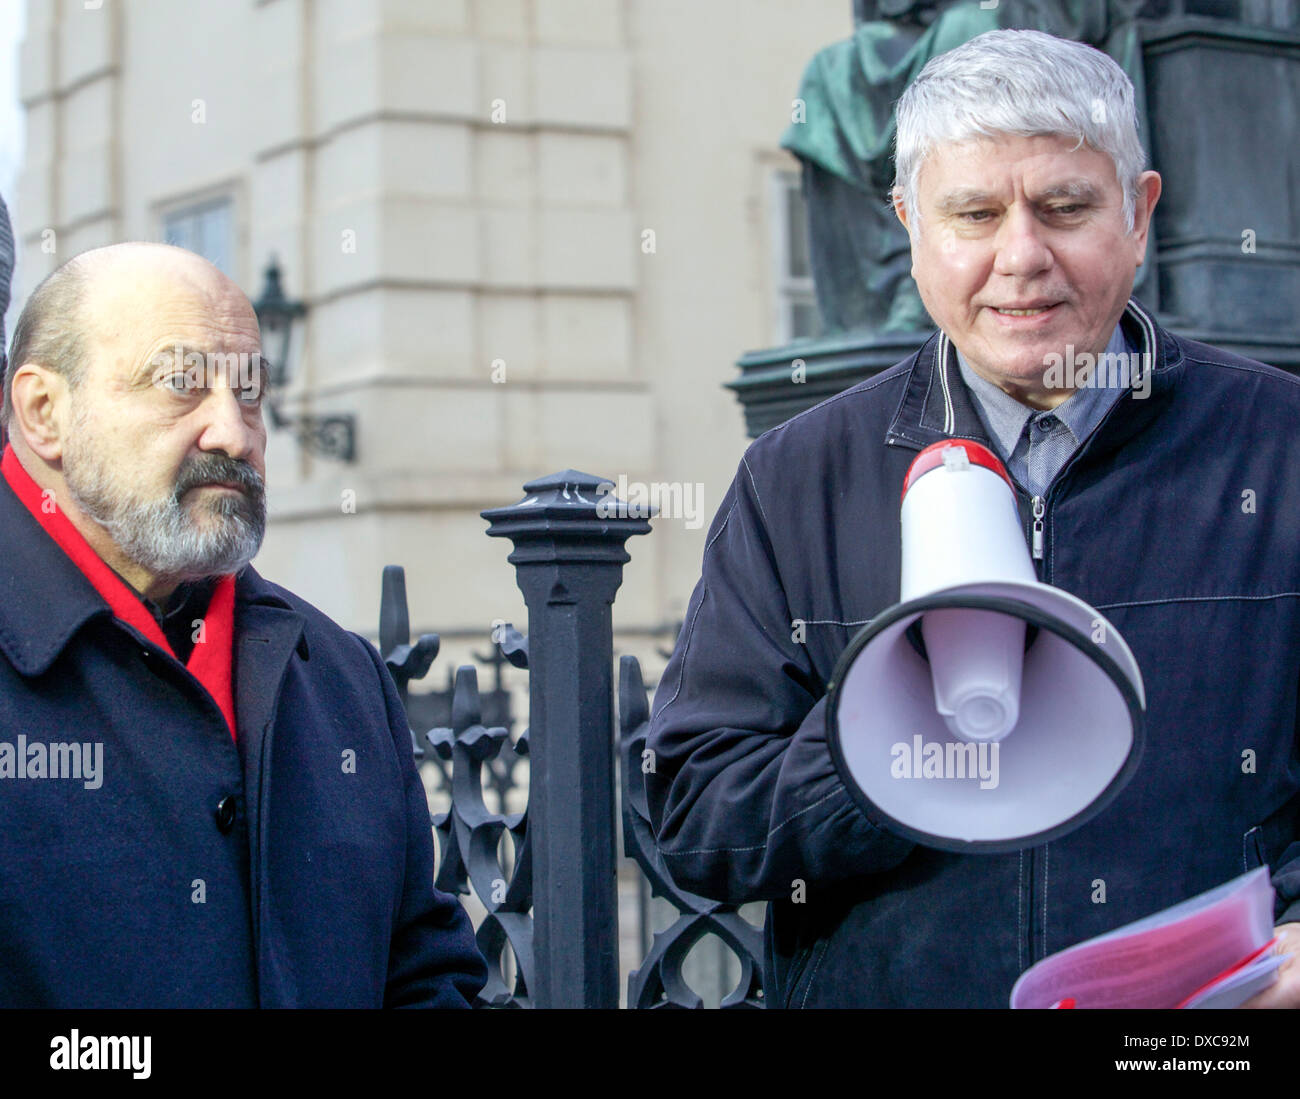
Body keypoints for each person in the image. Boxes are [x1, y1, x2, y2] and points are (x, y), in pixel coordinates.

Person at [646, 29, 1300, 1008]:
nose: (1020, 256)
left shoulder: (1278, 445)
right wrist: (888, 749)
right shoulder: (798, 478)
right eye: (974, 214)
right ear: (912, 225)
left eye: (1064, 207)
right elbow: (694, 817)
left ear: (1139, 212)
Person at [0, 242, 488, 1007]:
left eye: (249, 390)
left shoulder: (340, 674)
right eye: (181, 383)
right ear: (44, 411)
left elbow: (422, 973)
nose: (233, 432)